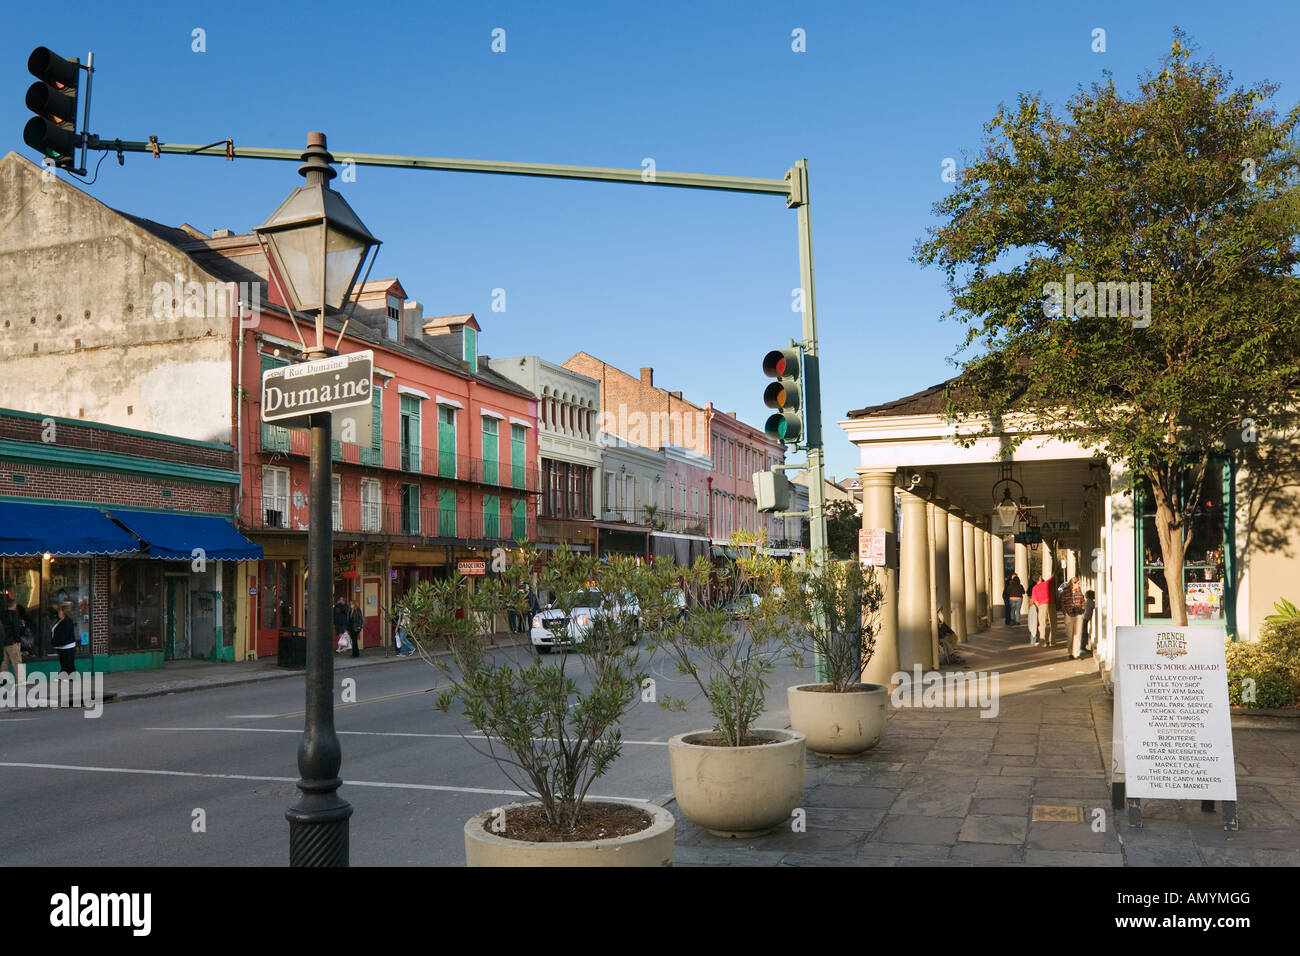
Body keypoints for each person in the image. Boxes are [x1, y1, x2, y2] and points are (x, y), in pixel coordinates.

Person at [1, 596, 24, 685]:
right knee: (17, 662)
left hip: (3, 643)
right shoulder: (14, 615)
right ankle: (21, 681)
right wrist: (18, 641)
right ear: (14, 605)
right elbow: (16, 629)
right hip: (12, 642)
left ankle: (4, 682)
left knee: (3, 663)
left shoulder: (2, 614)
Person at [1063, 576, 1086, 658]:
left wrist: (1082, 610)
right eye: (1078, 583)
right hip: (1069, 615)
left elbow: (1083, 602)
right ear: (1073, 583)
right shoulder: (1065, 592)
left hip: (1078, 615)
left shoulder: (1080, 592)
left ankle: (1076, 653)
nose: (1079, 585)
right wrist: (1066, 612)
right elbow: (1063, 603)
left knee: (1078, 634)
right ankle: (1070, 652)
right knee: (1070, 635)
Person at [51, 603, 77, 677]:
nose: (59, 612)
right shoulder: (60, 621)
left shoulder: (68, 621)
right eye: (59, 611)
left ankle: (71, 677)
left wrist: (57, 642)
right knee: (63, 663)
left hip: (67, 645)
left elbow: (65, 635)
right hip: (61, 646)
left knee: (69, 663)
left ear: (64, 612)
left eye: (60, 611)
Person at [1031, 573, 1056, 647]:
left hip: (1041, 605)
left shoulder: (1034, 588)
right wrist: (1059, 565)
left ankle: (1043, 642)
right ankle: (1052, 641)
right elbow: (1053, 575)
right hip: (1051, 604)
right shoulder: (1047, 583)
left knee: (1042, 624)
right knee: (1053, 623)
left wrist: (1039, 607)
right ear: (1040, 578)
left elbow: (1034, 600)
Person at [1080, 589, 1096, 658]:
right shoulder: (1090, 602)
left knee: (1084, 632)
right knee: (1084, 633)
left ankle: (1082, 647)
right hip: (1085, 619)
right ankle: (1082, 648)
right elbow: (1094, 606)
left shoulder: (1087, 601)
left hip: (1084, 619)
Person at [1026, 575, 1040, 645]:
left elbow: (1027, 592)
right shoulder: (1037, 586)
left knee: (1033, 621)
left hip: (1032, 602)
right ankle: (1034, 640)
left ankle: (1034, 640)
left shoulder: (1031, 585)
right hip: (1036, 601)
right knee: (1035, 622)